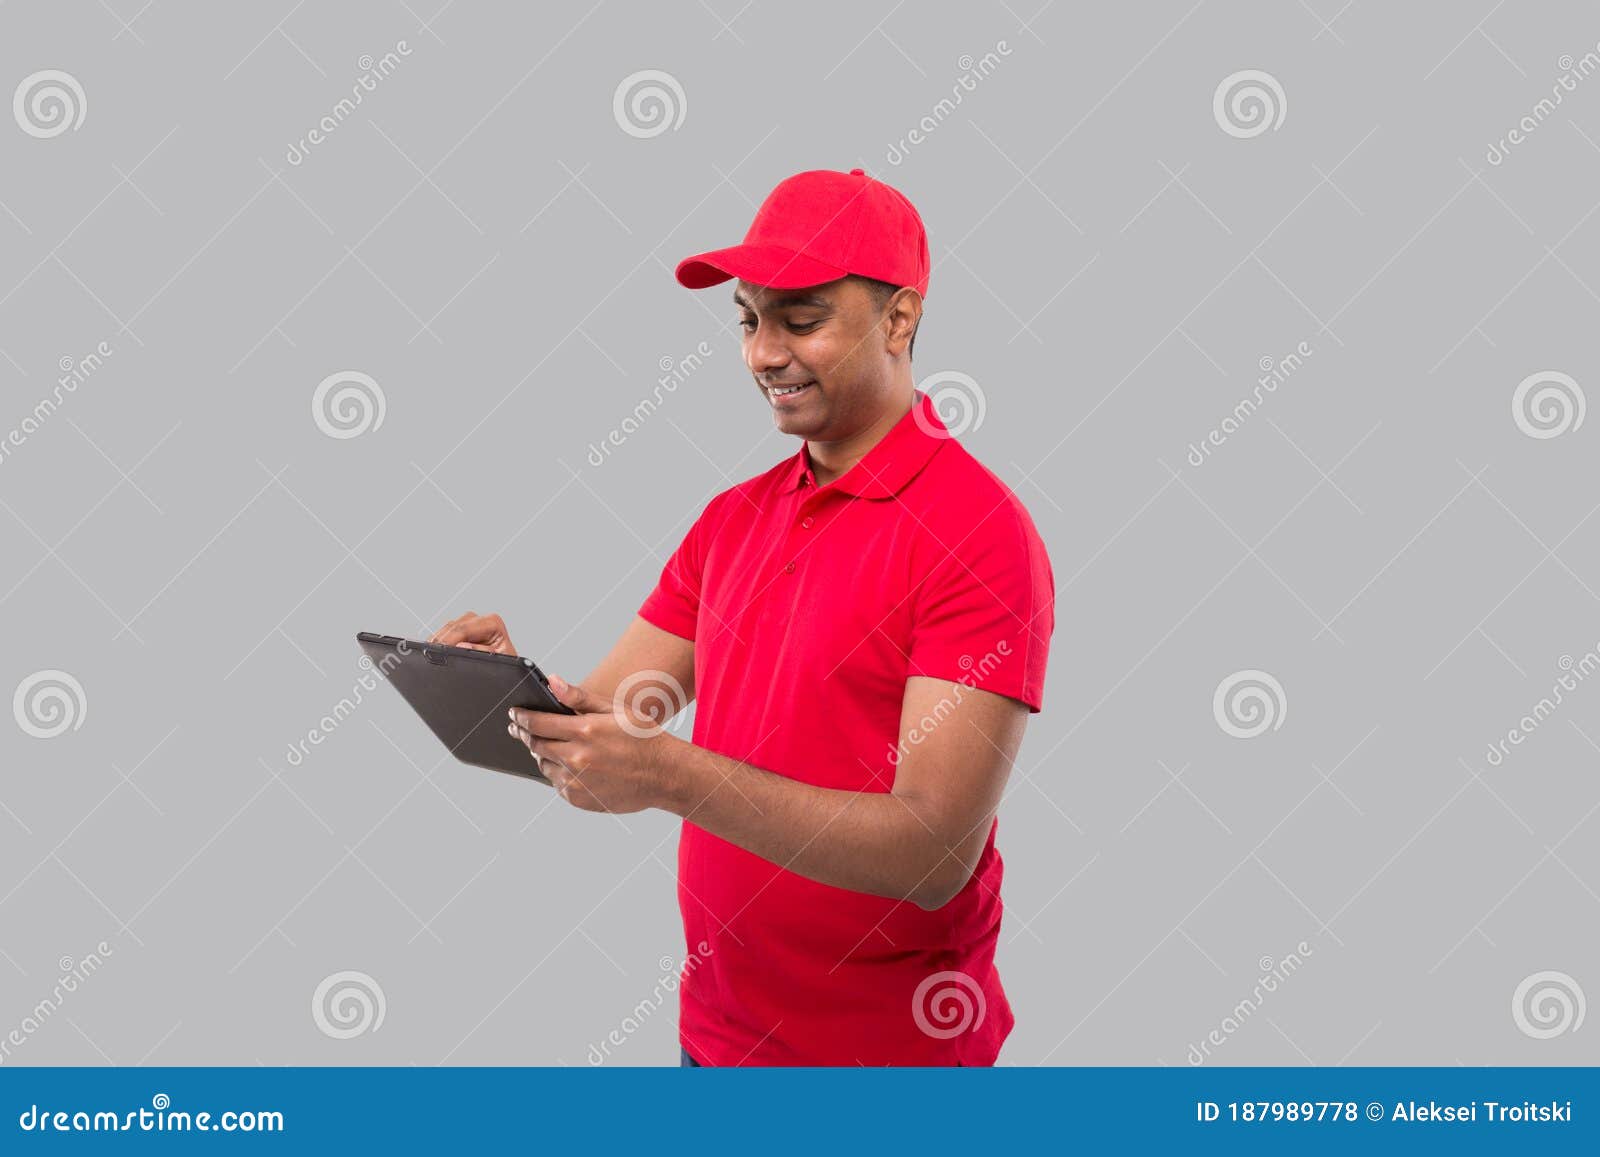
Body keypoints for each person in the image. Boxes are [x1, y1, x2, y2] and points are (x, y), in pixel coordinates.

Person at [430, 167, 1055, 1067]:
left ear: (899, 319)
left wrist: (672, 775)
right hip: (715, 1045)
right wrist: (511, 688)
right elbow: (609, 731)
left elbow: (932, 854)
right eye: (749, 320)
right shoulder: (732, 520)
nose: (764, 353)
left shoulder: (977, 533)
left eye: (800, 320)